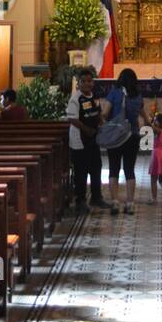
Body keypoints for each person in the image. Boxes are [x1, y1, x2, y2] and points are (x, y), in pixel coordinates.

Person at [65, 68, 108, 214]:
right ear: (79, 83)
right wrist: (86, 129)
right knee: (81, 172)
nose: (87, 84)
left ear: (93, 82)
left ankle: (96, 197)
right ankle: (80, 201)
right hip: (79, 140)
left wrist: (103, 124)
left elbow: (98, 113)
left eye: (90, 81)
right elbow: (72, 118)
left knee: (96, 168)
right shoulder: (75, 98)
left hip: (93, 139)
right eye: (84, 81)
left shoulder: (93, 97)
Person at [104, 67, 146, 215]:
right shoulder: (137, 96)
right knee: (129, 170)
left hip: (115, 135)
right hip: (132, 136)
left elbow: (105, 113)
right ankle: (130, 203)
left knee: (113, 170)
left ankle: (115, 202)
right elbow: (142, 115)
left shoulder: (114, 93)